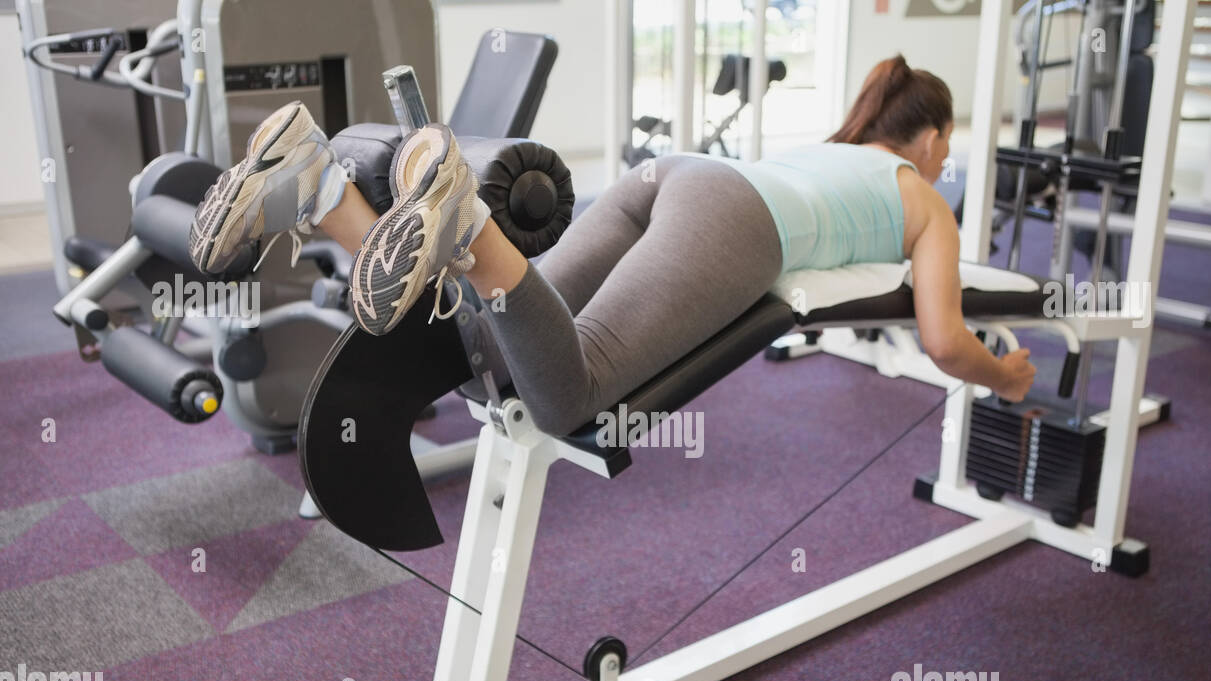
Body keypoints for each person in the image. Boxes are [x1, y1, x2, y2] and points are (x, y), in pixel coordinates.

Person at [189, 54, 1036, 437]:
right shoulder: (926, 197)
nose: (944, 159)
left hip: (671, 176)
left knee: (486, 353)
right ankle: (465, 220)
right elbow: (942, 339)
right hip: (737, 222)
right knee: (571, 396)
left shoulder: (831, 150)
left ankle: (318, 187)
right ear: (933, 137)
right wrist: (1006, 376)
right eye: (945, 146)